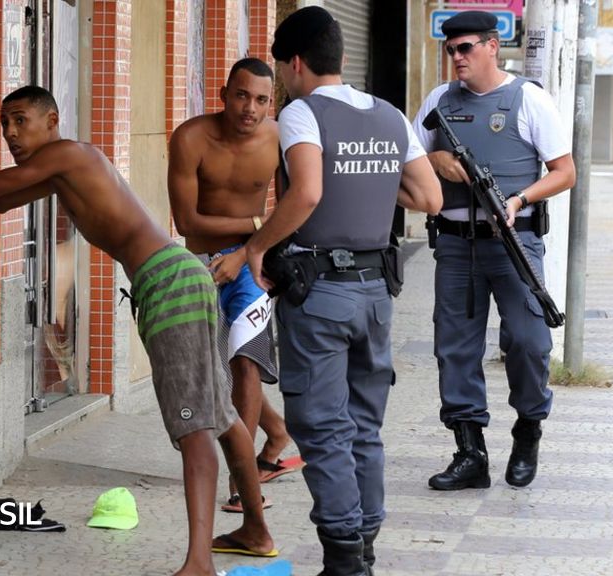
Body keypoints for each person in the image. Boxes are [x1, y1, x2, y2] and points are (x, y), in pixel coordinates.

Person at [0, 85, 275, 576]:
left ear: (51, 120)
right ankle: (255, 531)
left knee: (194, 426)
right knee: (219, 415)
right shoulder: (61, 169)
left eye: (20, 120)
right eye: (3, 124)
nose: (10, 133)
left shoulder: (67, 155)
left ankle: (199, 562)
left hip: (169, 282)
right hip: (178, 278)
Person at [238, 7, 442, 575]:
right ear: (342, 57)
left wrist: (256, 249)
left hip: (322, 292)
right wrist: (372, 187)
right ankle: (365, 541)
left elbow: (304, 195)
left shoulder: (303, 112)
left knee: (323, 426)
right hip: (377, 292)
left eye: (281, 71)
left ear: (294, 64)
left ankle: (345, 556)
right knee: (363, 425)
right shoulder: (390, 114)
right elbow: (429, 198)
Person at [411, 11, 576, 492]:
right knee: (455, 347)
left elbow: (564, 171)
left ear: (491, 45)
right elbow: (409, 159)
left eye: (465, 48)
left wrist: (521, 198)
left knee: (528, 341)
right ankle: (470, 453)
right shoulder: (439, 100)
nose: (456, 58)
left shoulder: (527, 98)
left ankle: (528, 428)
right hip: (457, 245)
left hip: (515, 240)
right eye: (450, 50)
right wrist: (435, 159)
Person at [168, 57, 298, 513]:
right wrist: (260, 220)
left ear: (272, 103)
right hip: (200, 261)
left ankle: (242, 483)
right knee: (211, 373)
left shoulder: (280, 137)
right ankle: (276, 431)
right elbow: (186, 220)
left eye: (262, 100)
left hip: (252, 261)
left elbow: (293, 208)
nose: (250, 108)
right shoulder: (191, 138)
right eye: (242, 96)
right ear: (224, 94)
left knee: (245, 363)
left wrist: (248, 248)